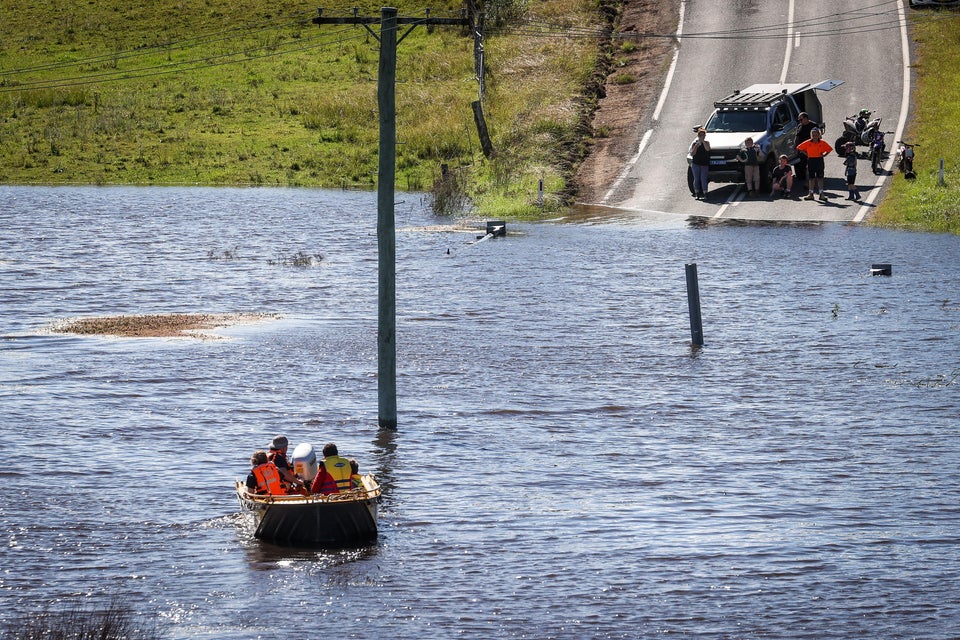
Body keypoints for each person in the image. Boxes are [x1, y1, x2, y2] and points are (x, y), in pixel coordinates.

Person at [796, 128, 833, 201]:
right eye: (813, 135)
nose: (814, 136)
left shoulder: (822, 142)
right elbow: (799, 147)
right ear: (811, 135)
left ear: (819, 135)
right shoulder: (808, 142)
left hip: (819, 160)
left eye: (816, 134)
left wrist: (825, 155)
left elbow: (829, 149)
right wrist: (807, 154)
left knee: (820, 177)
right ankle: (811, 194)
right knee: (811, 178)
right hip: (811, 160)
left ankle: (821, 193)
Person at [793, 112, 816, 185]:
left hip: (812, 149)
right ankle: (808, 181)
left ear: (806, 118)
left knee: (810, 167)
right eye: (799, 120)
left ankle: (809, 183)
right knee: (803, 166)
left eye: (801, 119)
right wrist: (795, 147)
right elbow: (797, 137)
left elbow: (819, 138)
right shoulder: (800, 126)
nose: (800, 121)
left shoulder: (813, 126)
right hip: (803, 150)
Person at [689, 128, 711, 200]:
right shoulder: (695, 144)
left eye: (703, 135)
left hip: (704, 164)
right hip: (696, 163)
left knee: (703, 179)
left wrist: (703, 142)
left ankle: (705, 193)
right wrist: (696, 146)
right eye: (700, 135)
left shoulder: (707, 142)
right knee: (696, 179)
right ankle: (697, 193)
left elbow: (708, 149)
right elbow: (692, 153)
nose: (702, 136)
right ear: (698, 136)